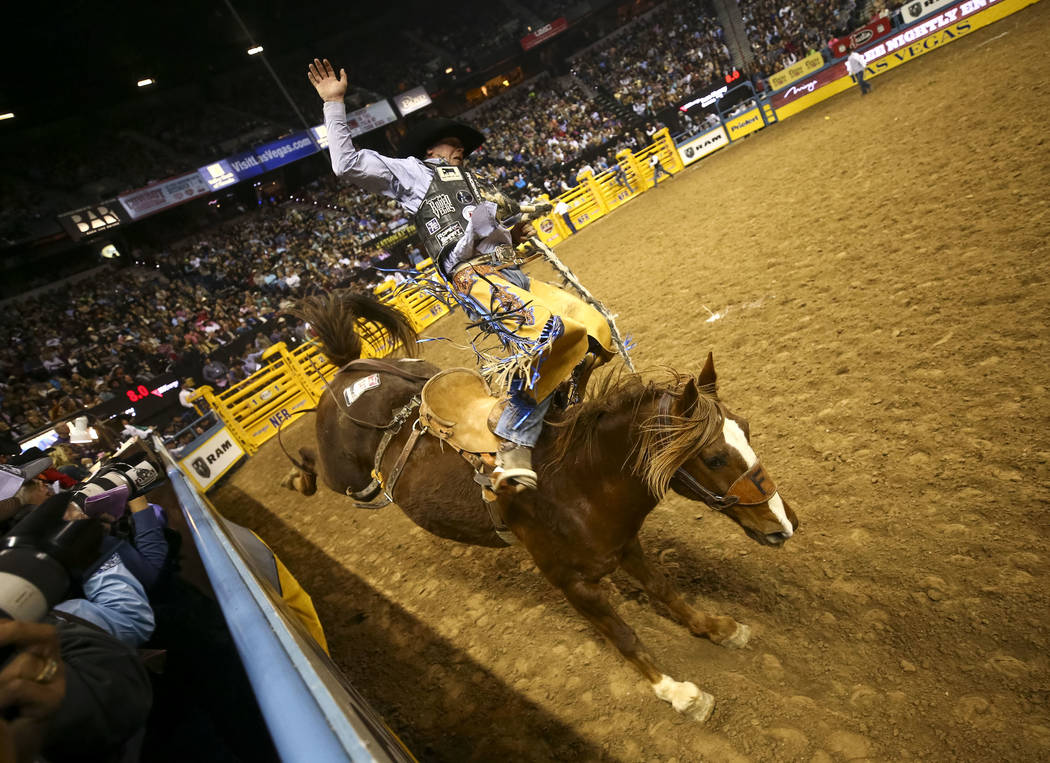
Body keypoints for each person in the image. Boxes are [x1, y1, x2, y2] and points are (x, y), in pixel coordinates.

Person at [308, 58, 614, 491]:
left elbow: (482, 229)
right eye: (454, 145)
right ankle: (514, 439)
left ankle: (562, 414)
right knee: (553, 336)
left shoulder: (472, 184)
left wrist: (511, 234)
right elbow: (346, 165)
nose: (462, 153)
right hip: (476, 278)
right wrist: (334, 105)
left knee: (593, 329)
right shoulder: (414, 173)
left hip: (508, 273)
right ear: (431, 149)